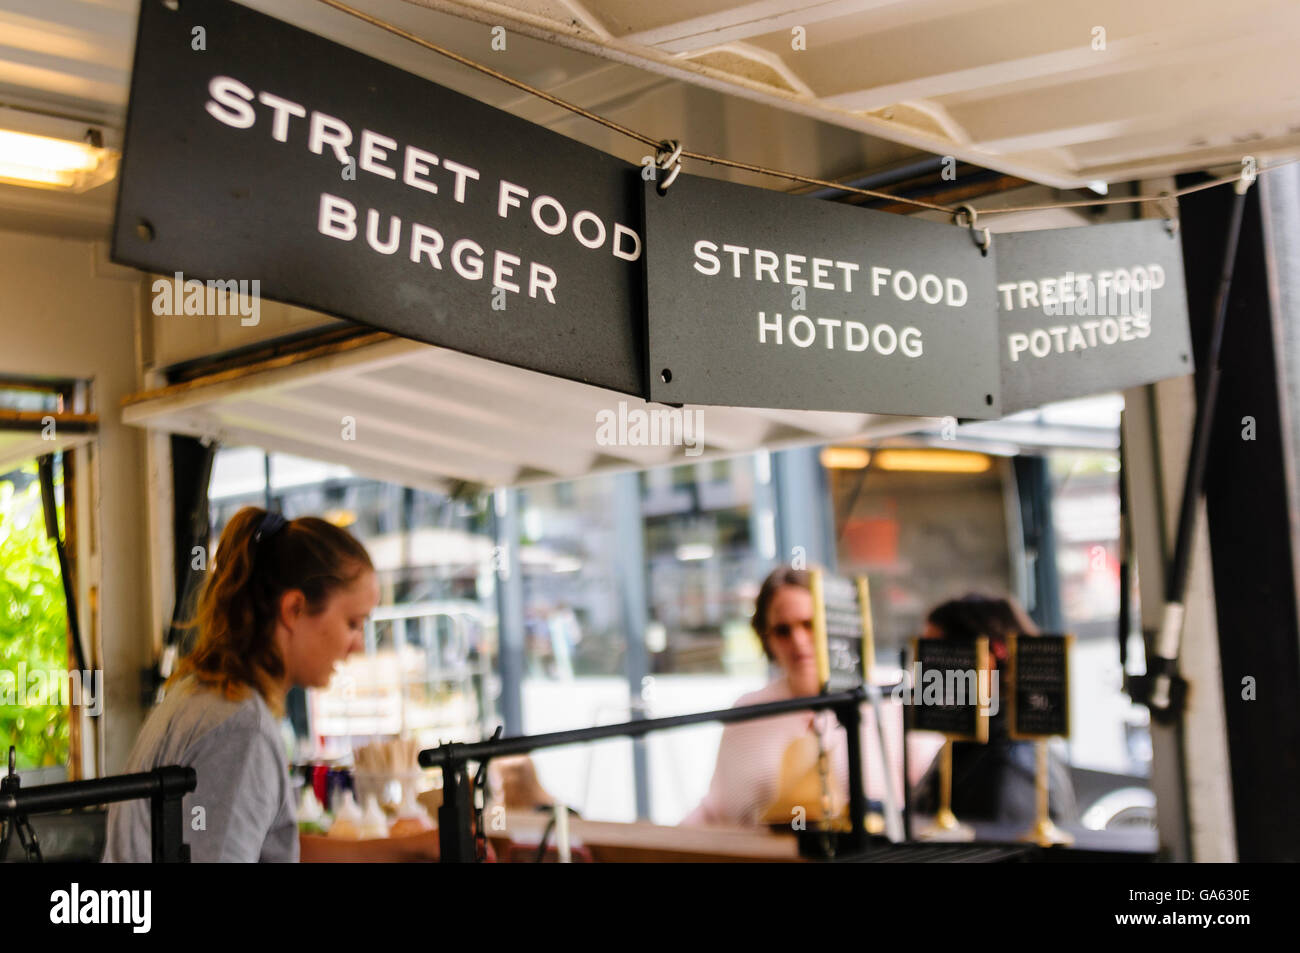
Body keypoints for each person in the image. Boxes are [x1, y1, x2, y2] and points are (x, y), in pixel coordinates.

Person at [103, 507, 441, 862]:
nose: (358, 646)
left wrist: (411, 847)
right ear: (294, 608)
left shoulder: (204, 694)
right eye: (353, 623)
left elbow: (270, 851)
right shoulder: (240, 730)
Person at [681, 565, 937, 828]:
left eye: (810, 624)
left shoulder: (890, 694)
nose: (798, 641)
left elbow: (932, 799)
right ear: (766, 639)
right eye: (783, 631)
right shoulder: (749, 711)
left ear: (838, 625)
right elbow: (718, 812)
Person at [911, 593, 1079, 826]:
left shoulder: (1007, 768)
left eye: (933, 658)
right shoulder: (971, 746)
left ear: (988, 661)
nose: (921, 675)